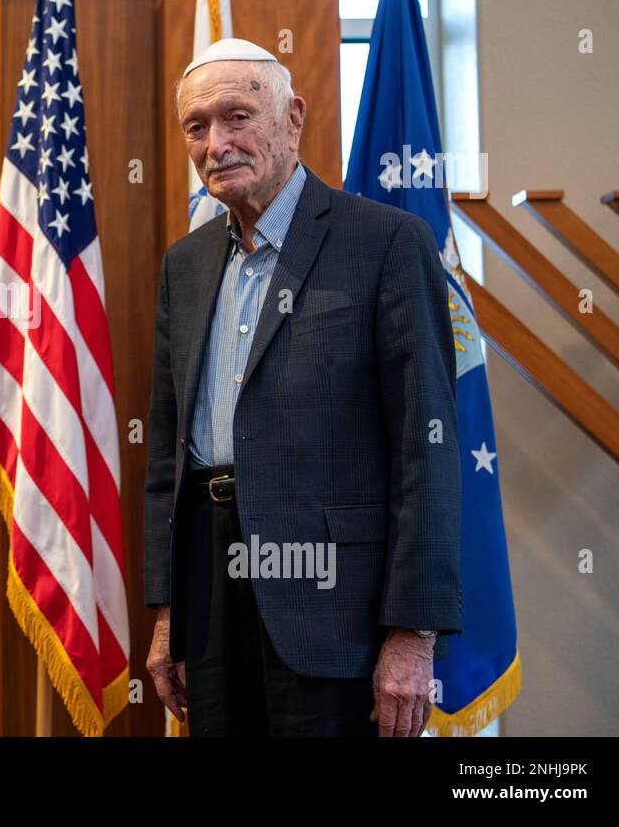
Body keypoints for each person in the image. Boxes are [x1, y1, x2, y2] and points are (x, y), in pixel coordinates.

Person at [143, 38, 461, 736]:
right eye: (197, 127)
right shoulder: (185, 264)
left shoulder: (385, 243)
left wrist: (413, 633)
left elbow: (426, 448)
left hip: (338, 611)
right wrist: (170, 613)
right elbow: (168, 456)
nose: (216, 142)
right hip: (211, 597)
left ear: (293, 118)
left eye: (237, 117)